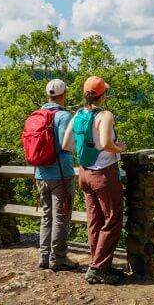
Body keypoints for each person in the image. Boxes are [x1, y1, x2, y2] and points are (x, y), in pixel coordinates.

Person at [63, 76, 127, 285]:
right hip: (103, 175)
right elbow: (106, 143)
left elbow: (66, 144)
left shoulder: (78, 114)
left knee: (95, 221)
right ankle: (98, 268)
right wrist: (120, 149)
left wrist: (86, 153)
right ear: (103, 95)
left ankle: (99, 263)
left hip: (84, 173)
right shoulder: (105, 115)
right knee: (112, 219)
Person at [34, 79, 78, 272]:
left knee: (46, 216)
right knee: (61, 216)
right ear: (64, 94)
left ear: (48, 94)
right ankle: (58, 258)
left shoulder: (36, 114)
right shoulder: (63, 116)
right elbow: (65, 144)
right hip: (61, 174)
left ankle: (44, 257)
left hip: (40, 173)